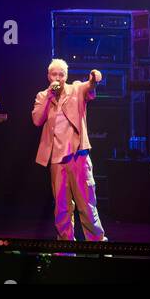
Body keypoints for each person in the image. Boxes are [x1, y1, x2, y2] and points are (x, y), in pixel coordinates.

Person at [32, 59, 107, 241]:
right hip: (57, 160)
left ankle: (98, 246)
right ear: (48, 76)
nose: (58, 78)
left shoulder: (75, 89)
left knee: (87, 205)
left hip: (78, 156)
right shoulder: (43, 96)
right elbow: (37, 120)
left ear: (66, 76)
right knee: (62, 207)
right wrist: (49, 96)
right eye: (54, 74)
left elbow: (89, 86)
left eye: (61, 74)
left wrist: (94, 78)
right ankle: (65, 248)